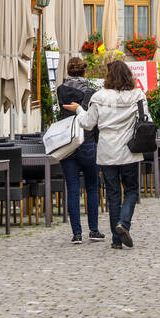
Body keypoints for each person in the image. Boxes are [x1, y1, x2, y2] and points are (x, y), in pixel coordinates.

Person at [63, 57, 147, 250]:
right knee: (132, 190)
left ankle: (117, 240)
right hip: (129, 150)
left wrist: (78, 110)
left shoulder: (99, 97)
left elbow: (88, 123)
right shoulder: (138, 96)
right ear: (128, 76)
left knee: (113, 194)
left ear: (108, 76)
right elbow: (146, 118)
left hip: (107, 150)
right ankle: (123, 224)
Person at [56, 56, 105, 245]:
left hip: (67, 143)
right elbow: (94, 119)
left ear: (68, 71)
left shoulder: (61, 90)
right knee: (92, 187)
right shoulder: (91, 92)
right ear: (85, 71)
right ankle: (94, 230)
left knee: (73, 188)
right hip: (87, 142)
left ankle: (76, 233)